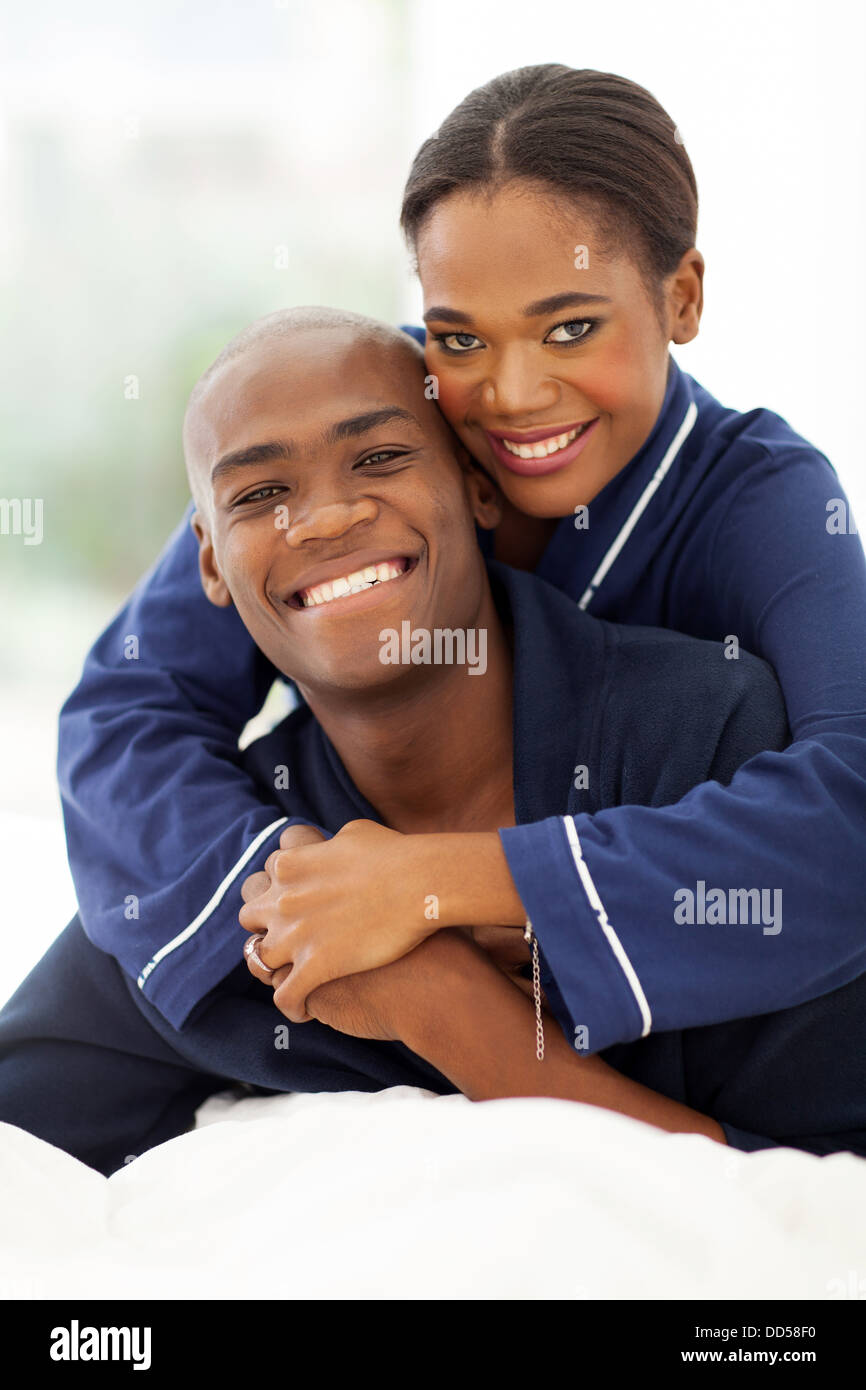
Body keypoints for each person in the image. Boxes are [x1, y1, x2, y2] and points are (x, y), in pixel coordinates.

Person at [56, 67, 866, 1055]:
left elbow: (850, 810)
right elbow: (125, 713)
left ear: (680, 296)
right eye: (459, 334)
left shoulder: (761, 500)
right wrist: (310, 890)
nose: (511, 392)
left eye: (570, 327)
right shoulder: (372, 429)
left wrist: (437, 881)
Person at [3, 308, 864, 1179]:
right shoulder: (197, 875)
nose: (326, 518)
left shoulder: (719, 742)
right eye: (261, 494)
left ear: (480, 484)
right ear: (211, 566)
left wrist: (450, 1005)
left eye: (379, 458)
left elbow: (828, 1206)